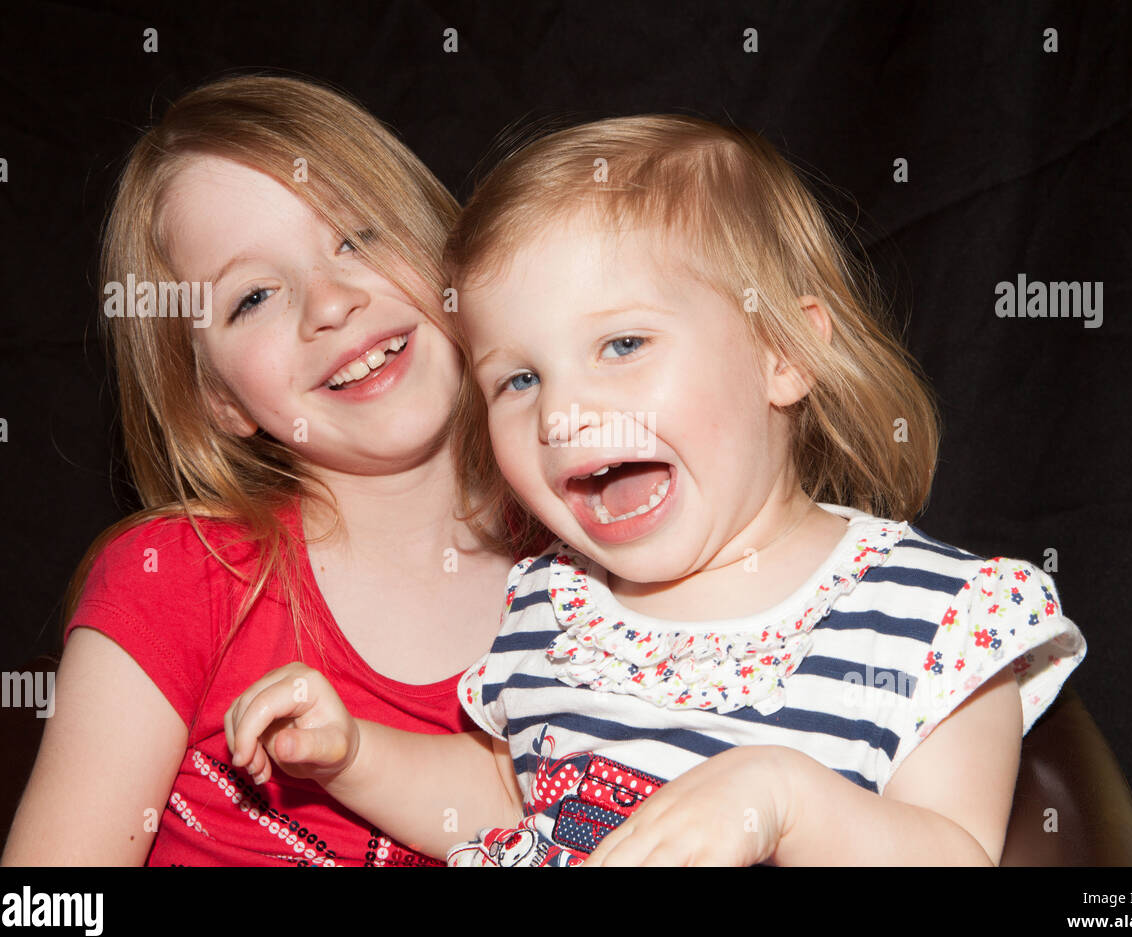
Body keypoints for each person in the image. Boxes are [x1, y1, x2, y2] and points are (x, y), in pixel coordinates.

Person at [225, 115, 1087, 866]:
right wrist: (354, 759)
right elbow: (505, 801)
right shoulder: (552, 608)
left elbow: (957, 857)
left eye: (624, 345)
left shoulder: (933, 618)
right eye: (519, 379)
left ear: (781, 352)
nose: (562, 413)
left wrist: (783, 801)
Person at [1, 74, 531, 866]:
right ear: (215, 397)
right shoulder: (179, 582)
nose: (329, 301)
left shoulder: (622, 563)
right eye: (252, 297)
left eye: (360, 238)